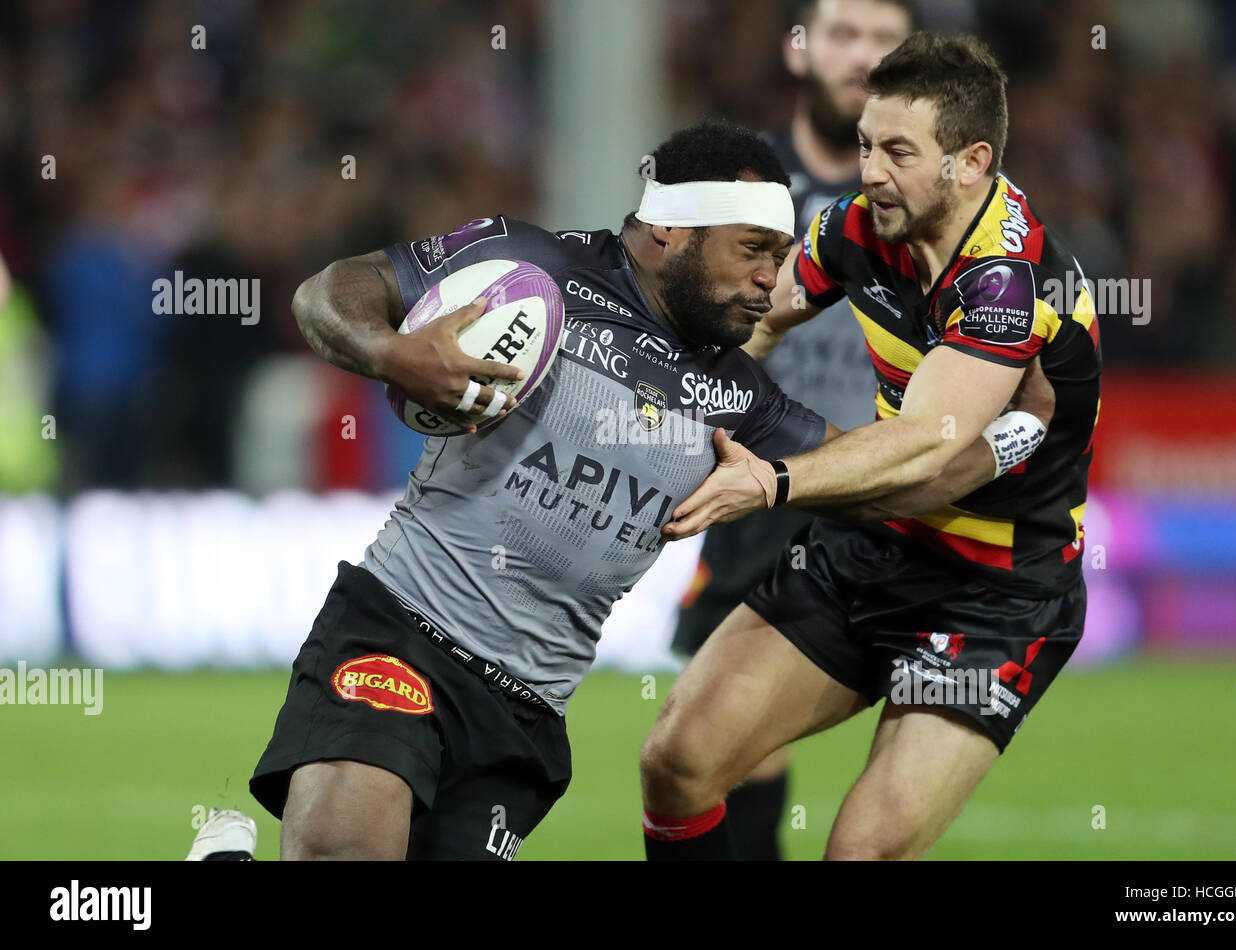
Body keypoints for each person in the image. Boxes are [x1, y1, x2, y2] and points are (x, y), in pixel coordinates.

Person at [217, 119, 1033, 861]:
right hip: (400, 630)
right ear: (670, 228)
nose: (768, 283)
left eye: (778, 258)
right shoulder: (535, 266)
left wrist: (1014, 439)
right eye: (750, 249)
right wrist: (396, 355)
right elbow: (329, 293)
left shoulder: (741, 400)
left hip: (525, 710)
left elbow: (886, 483)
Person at [640, 32, 1101, 861]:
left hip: (995, 595)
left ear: (970, 162)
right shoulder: (857, 227)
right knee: (676, 762)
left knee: (859, 852)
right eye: (863, 145)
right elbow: (765, 320)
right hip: (868, 553)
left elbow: (926, 453)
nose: (871, 171)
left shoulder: (1005, 279)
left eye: (897, 151)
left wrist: (774, 482)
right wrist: (676, 408)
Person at [672, 0, 913, 861]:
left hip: (890, 489)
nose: (864, 57)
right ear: (799, 48)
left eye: (885, 40)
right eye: (845, 34)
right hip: (760, 490)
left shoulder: (934, 206)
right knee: (730, 750)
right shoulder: (745, 186)